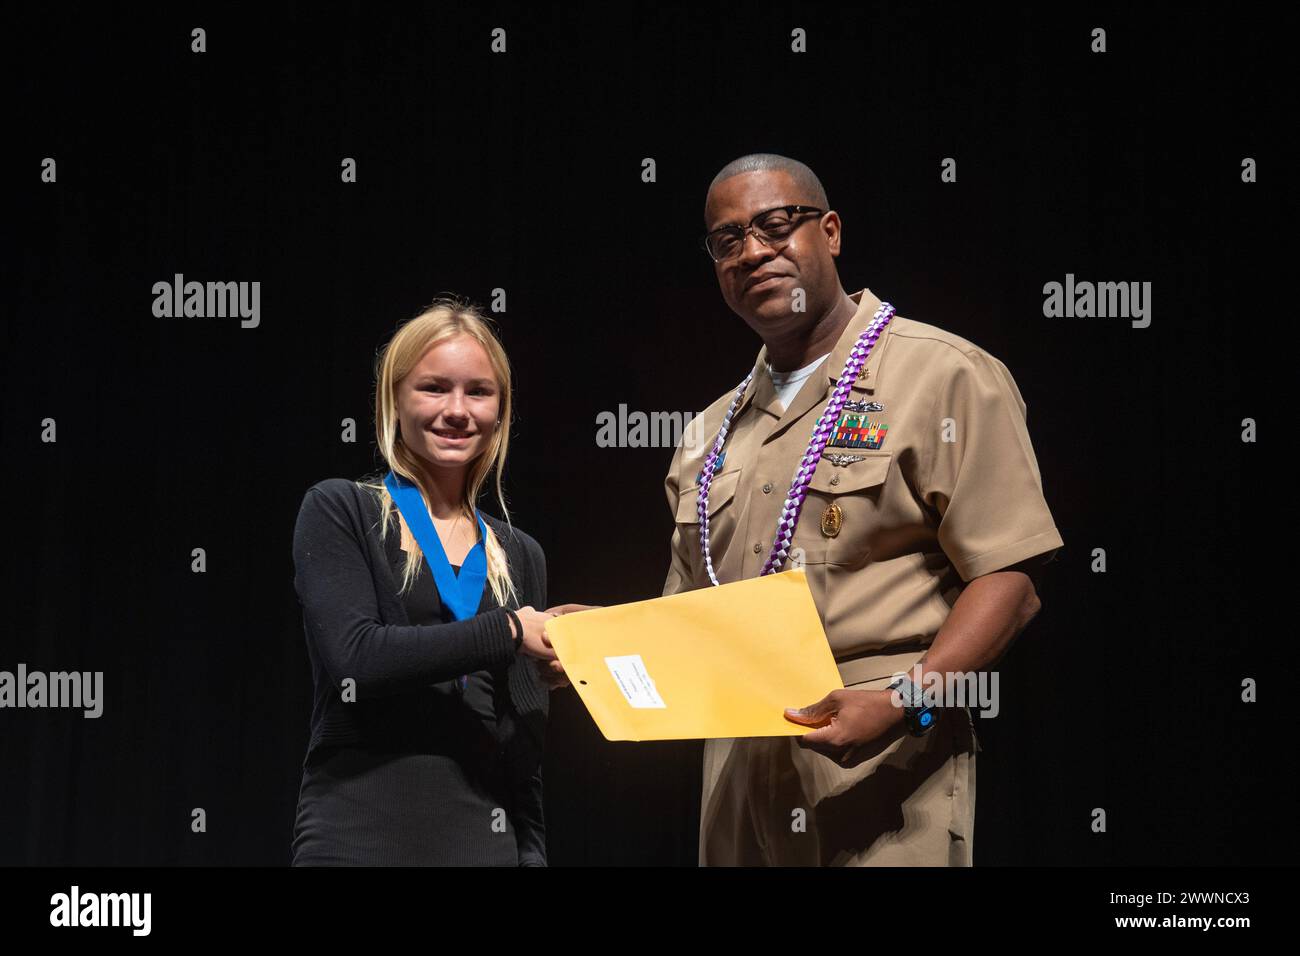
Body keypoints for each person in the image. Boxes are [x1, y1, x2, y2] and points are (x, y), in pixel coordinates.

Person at [662, 153, 1065, 866]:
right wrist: (591, 645)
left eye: (776, 225)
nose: (753, 251)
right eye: (728, 241)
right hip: (737, 776)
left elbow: (1013, 577)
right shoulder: (708, 430)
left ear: (832, 232)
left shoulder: (942, 375)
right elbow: (690, 616)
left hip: (881, 770)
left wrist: (904, 700)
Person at [290, 296, 571, 866]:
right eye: (434, 388)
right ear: (395, 398)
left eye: (479, 392)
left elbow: (523, 744)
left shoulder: (520, 554)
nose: (458, 410)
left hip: (482, 848)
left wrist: (533, 856)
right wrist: (511, 629)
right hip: (353, 844)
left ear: (501, 410)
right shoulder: (340, 509)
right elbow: (357, 657)